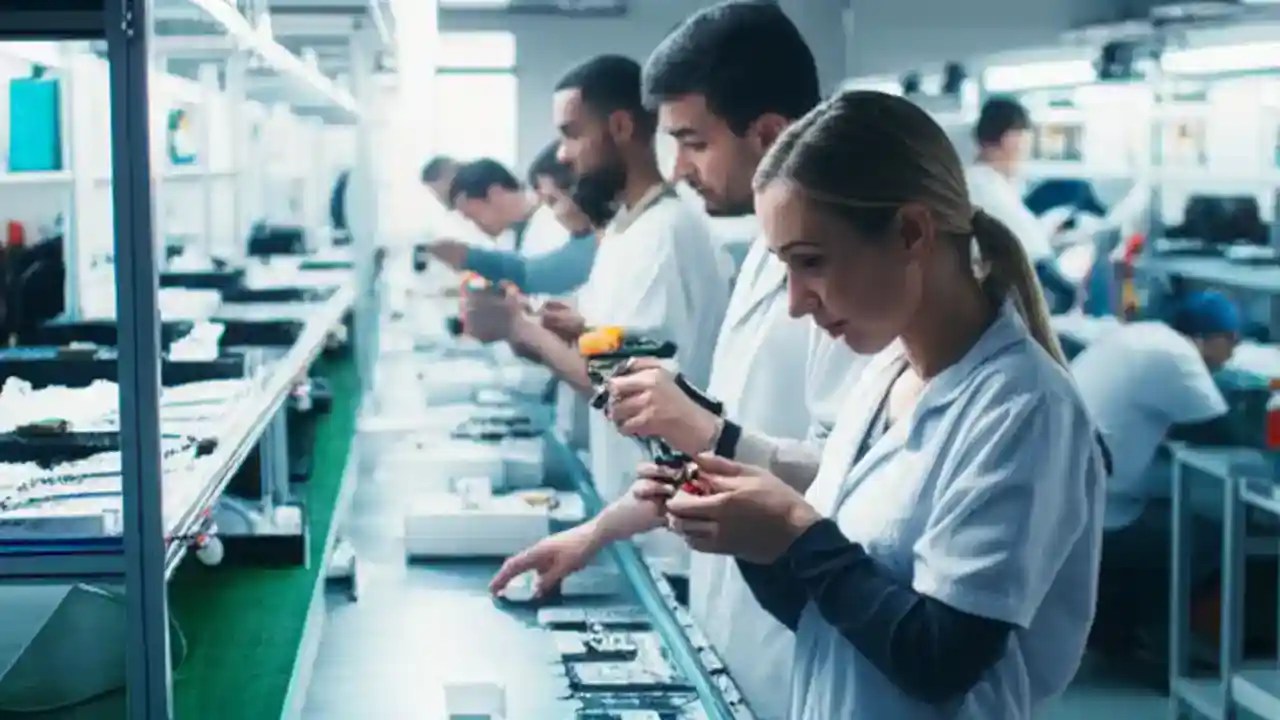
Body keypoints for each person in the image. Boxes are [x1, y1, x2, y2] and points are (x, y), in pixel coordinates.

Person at [640, 90, 1105, 719]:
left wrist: (795, 536)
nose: (797, 302)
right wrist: (736, 527)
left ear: (912, 232)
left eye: (811, 263)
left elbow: (940, 659)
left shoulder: (1022, 408)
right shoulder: (885, 374)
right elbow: (826, 618)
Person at [488, 4, 862, 717]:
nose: (681, 165)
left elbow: (848, 479)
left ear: (770, 134)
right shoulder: (762, 252)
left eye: (692, 141)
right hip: (730, 611)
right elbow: (711, 431)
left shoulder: (842, 284)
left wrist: (707, 433)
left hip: (797, 641)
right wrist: (600, 529)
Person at [464, 54, 730, 515]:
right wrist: (578, 329)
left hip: (673, 520)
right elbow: (629, 345)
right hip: (633, 499)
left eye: (571, 133)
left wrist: (523, 331)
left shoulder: (663, 234)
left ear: (622, 127)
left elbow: (638, 391)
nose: (563, 153)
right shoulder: (626, 227)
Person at [1073, 291, 1239, 652]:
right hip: (1100, 511)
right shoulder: (1178, 358)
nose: (1233, 356)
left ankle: (1114, 625)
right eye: (1232, 342)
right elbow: (1224, 434)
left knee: (1181, 489)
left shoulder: (1141, 336)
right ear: (1214, 338)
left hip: (1072, 490)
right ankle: (1159, 637)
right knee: (1217, 532)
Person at [426, 143, 607, 297]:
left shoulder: (558, 222)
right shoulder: (516, 233)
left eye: (473, 217)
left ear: (494, 194)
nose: (477, 226)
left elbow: (536, 275)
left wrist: (468, 257)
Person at [966, 97, 1078, 314]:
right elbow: (1032, 252)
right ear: (1011, 140)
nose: (1024, 157)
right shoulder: (983, 186)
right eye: (1025, 146)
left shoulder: (987, 183)